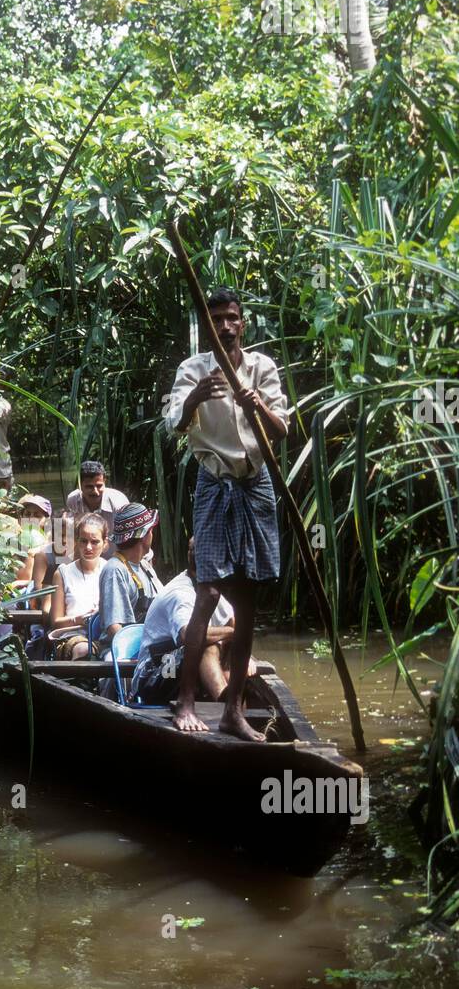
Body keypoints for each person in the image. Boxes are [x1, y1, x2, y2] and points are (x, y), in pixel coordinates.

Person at [162, 286, 288, 741]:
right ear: (208, 325)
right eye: (217, 319)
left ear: (242, 322)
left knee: (249, 596)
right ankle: (186, 701)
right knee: (209, 592)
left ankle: (234, 710)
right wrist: (195, 398)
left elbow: (283, 430)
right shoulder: (192, 370)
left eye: (232, 318)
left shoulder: (262, 367)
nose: (226, 326)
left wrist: (259, 408)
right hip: (214, 485)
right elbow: (174, 424)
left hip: (255, 484)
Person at [129, 537, 257, 704]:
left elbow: (231, 622)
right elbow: (188, 635)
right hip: (154, 675)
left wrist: (246, 656)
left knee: (225, 642)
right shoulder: (181, 593)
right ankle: (222, 700)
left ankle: (234, 701)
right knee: (202, 642)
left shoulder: (208, 588)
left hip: (179, 669)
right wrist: (236, 633)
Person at [98, 502, 163, 650]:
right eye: (151, 531)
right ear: (144, 536)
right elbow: (114, 629)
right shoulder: (115, 570)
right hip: (127, 652)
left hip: (154, 644)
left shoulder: (144, 566)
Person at [47, 513, 108, 660]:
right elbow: (55, 622)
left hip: (105, 635)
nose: (88, 547)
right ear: (76, 541)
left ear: (105, 543)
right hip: (73, 637)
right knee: (83, 650)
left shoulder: (111, 570)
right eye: (83, 541)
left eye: (94, 542)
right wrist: (80, 619)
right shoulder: (63, 573)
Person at [65, 461, 129, 537]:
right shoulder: (73, 501)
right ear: (80, 485)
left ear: (104, 482)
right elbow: (69, 532)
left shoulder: (118, 502)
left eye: (99, 486)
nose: (95, 492)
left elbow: (128, 536)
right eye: (89, 487)